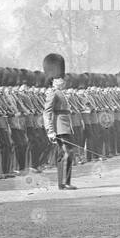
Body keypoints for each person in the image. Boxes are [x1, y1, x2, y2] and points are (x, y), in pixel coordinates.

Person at [43, 54, 78, 189]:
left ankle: (64, 183)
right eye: (59, 79)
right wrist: (50, 131)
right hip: (59, 128)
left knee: (66, 154)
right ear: (54, 81)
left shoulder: (62, 93)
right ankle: (64, 183)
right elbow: (47, 112)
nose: (63, 81)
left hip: (65, 126)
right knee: (67, 153)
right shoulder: (53, 93)